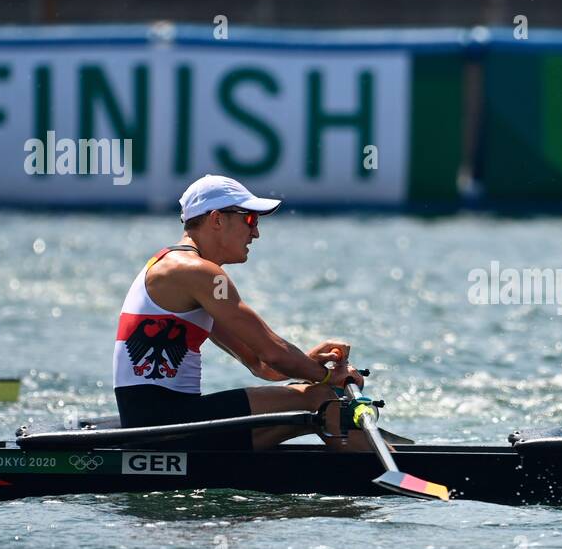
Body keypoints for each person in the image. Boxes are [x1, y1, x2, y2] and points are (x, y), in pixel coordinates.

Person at [112, 174, 370, 451]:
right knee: (322, 399)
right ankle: (385, 475)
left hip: (161, 422)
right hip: (166, 426)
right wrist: (330, 378)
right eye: (250, 220)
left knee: (320, 397)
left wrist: (309, 364)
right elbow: (273, 353)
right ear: (216, 219)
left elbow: (262, 365)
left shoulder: (179, 269)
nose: (256, 232)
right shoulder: (196, 272)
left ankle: (369, 467)